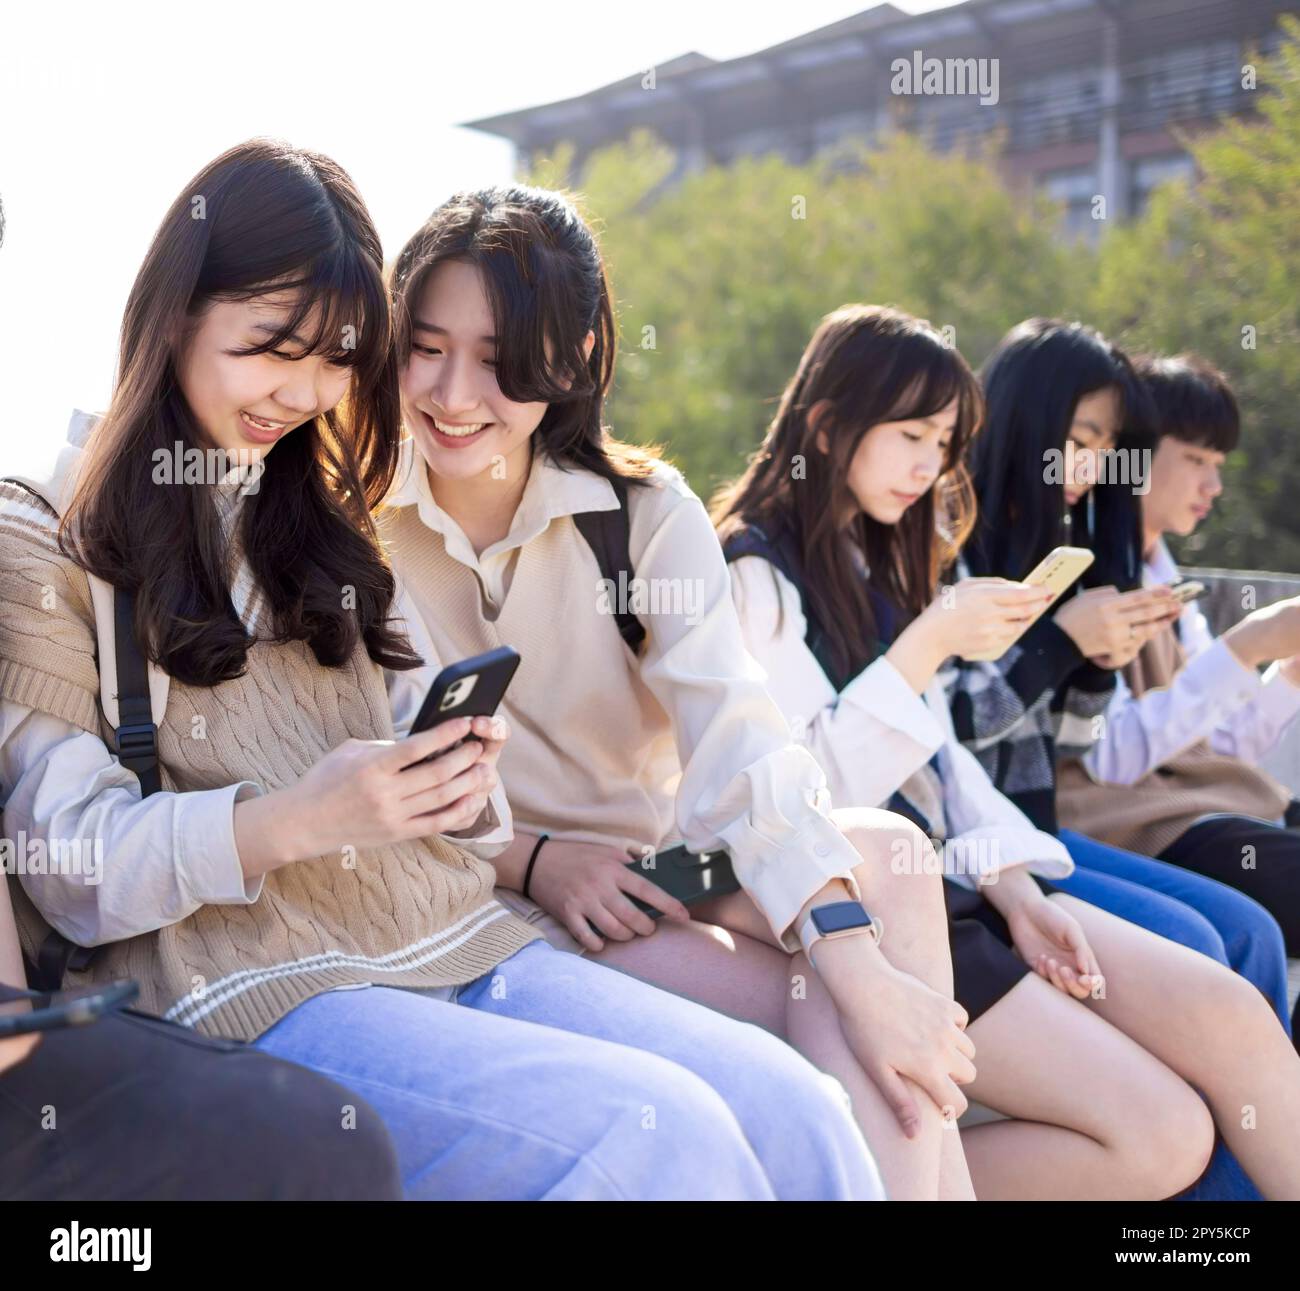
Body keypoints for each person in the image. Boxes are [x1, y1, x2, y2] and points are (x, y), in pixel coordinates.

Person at [0, 142, 882, 1202]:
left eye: (335, 357)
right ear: (176, 315)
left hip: (452, 934)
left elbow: (456, 793)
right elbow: (65, 866)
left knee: (794, 1107)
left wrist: (457, 781)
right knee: (655, 1137)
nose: (302, 391)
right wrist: (295, 820)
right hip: (244, 978)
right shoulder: (44, 529)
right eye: (268, 348)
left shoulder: (319, 512)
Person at [381, 183, 979, 1199]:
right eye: (427, 346)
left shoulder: (640, 514)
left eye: (498, 360)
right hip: (498, 899)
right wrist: (535, 859)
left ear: (570, 361)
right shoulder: (352, 521)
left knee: (884, 869)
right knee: (829, 1005)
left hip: (659, 870)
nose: (453, 393)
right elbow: (381, 761)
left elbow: (739, 739)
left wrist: (856, 958)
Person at [712, 303, 1300, 1200]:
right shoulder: (750, 573)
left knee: (1229, 1011)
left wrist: (1018, 888)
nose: (927, 465)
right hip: (864, 907)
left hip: (965, 880)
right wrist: (931, 646)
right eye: (911, 434)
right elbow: (799, 799)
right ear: (827, 427)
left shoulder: (885, 559)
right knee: (1165, 1129)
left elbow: (953, 775)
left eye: (943, 441)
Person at [949, 318, 1293, 1035]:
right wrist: (1061, 642)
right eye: (1081, 440)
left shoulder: (1068, 546)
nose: (1092, 468)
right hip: (990, 842)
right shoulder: (947, 541)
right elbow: (956, 730)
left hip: (1040, 830)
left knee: (1244, 934)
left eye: (1106, 449)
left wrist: (1093, 662)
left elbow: (1073, 737)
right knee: (1223, 937)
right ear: (1026, 417)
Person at [1057, 352, 1300, 1004]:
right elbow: (1106, 756)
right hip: (1128, 822)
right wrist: (1245, 645)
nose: (1213, 485)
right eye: (1196, 458)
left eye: (1218, 466)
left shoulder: (1165, 573)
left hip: (1196, 807)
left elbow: (1208, 749)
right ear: (1135, 453)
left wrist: (1286, 674)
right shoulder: (1077, 571)